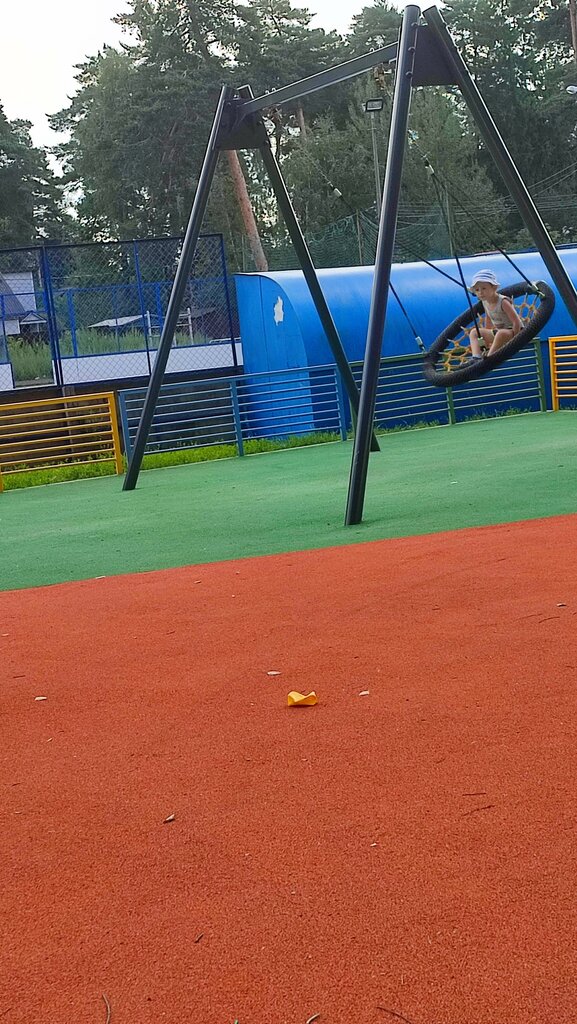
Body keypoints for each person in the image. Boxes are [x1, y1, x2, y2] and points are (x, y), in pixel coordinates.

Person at [464, 269, 523, 366]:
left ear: (494, 287)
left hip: (513, 331)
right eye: (477, 290)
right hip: (499, 333)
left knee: (501, 333)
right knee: (474, 332)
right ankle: (476, 357)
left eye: (484, 288)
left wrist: (516, 340)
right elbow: (488, 318)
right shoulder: (485, 302)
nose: (480, 292)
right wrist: (486, 336)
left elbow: (516, 321)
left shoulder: (503, 302)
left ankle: (489, 359)